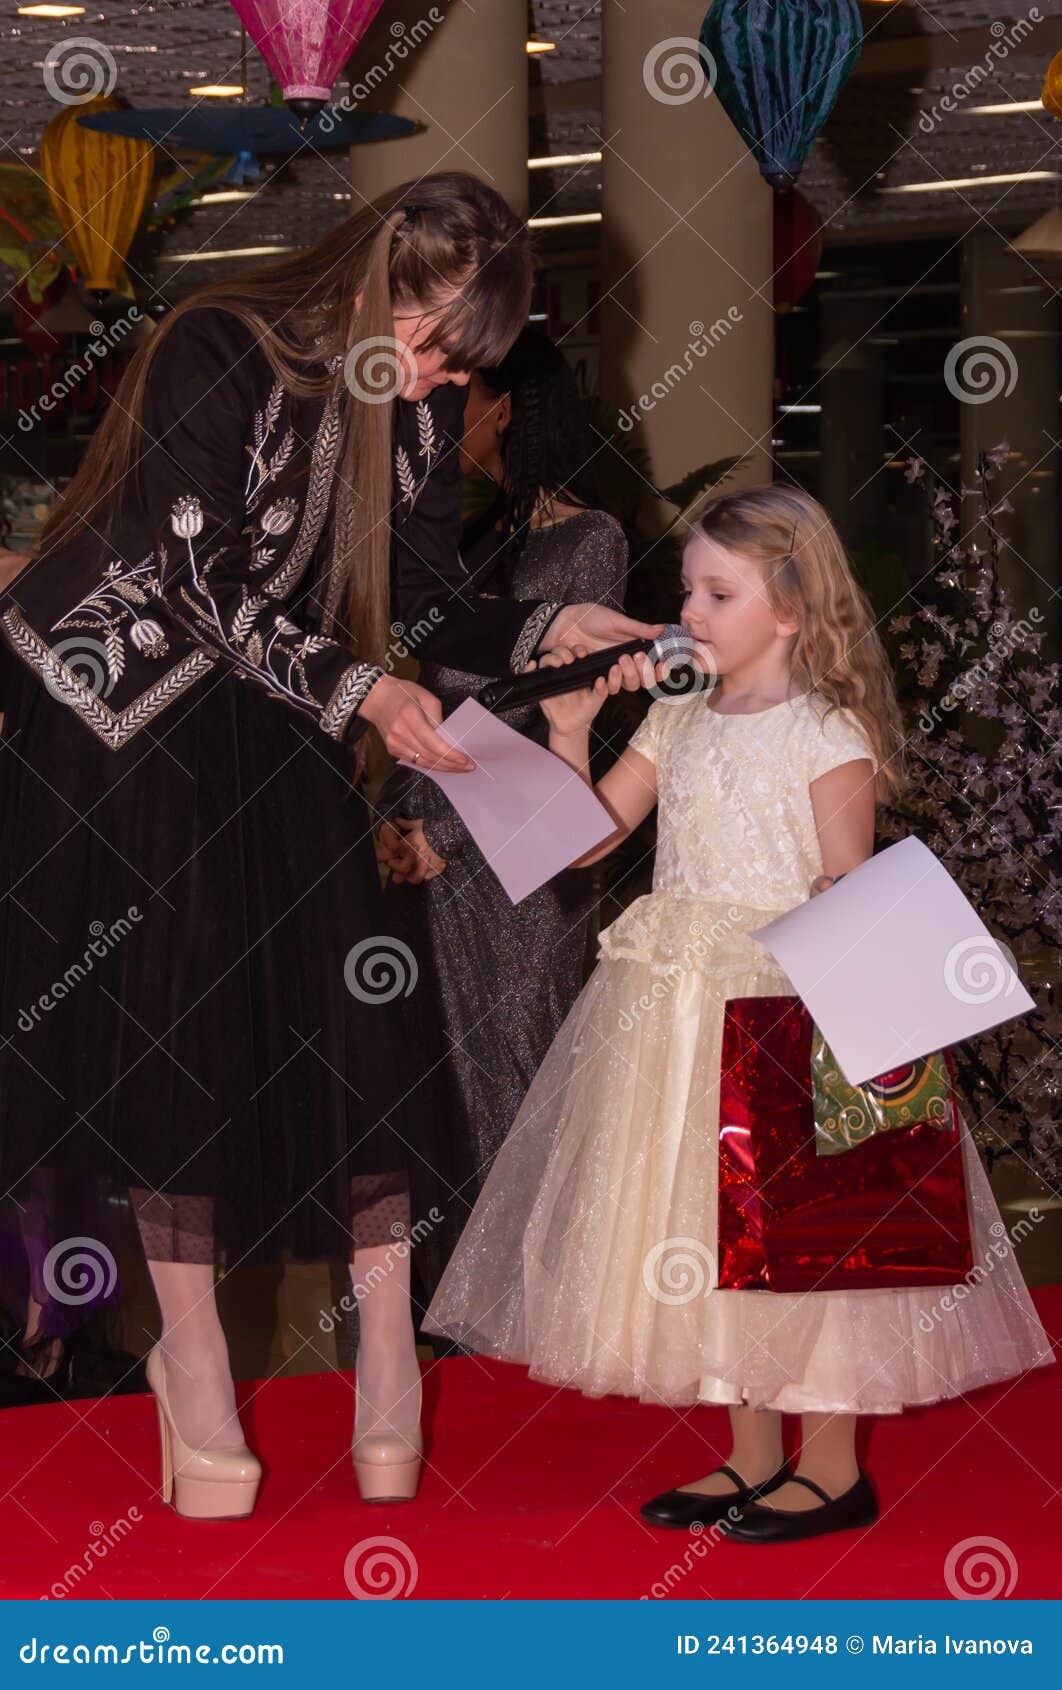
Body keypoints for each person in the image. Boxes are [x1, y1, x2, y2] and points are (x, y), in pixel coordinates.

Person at [0, 171, 660, 1519]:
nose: (427, 374)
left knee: (356, 1014)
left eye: (452, 361)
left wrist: (546, 634)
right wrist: (359, 690)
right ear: (371, 276)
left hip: (269, 700)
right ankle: (191, 1378)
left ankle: (387, 1370)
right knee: (169, 1030)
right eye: (420, 338)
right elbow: (194, 572)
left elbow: (415, 598)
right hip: (113, 708)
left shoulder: (415, 406)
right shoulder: (219, 339)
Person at [423, 482, 1053, 1543]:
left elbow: (845, 879)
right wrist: (572, 728)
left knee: (805, 1237)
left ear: (794, 610)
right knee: (706, 1231)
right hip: (674, 1005)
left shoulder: (826, 725)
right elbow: (584, 843)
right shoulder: (676, 713)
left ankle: (835, 1465)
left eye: (719, 593)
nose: (691, 613)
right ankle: (754, 1454)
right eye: (688, 591)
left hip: (781, 998)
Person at [374, 328, 628, 1298]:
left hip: (513, 856)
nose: (443, 416)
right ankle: (459, 1314)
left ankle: (534, 1318)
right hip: (438, 852)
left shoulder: (588, 538)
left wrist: (433, 829)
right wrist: (402, 823)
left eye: (459, 395)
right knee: (445, 1088)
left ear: (510, 406)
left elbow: (546, 695)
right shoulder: (477, 548)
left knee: (518, 1080)